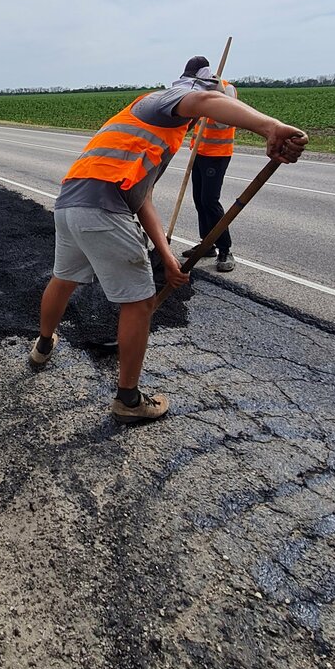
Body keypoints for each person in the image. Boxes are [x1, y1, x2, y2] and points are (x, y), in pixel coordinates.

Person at [29, 57, 308, 425]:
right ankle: (128, 401)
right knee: (140, 301)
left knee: (63, 279)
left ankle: (42, 348)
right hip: (103, 208)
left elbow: (142, 199)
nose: (206, 115)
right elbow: (204, 102)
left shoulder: (147, 129)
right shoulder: (164, 102)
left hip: (71, 205)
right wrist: (270, 127)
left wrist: (167, 257)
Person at [183, 63, 239, 272]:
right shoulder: (198, 90)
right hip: (199, 153)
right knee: (199, 199)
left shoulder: (227, 89)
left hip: (217, 155)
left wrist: (218, 95)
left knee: (210, 200)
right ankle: (207, 244)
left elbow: (225, 123)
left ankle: (225, 249)